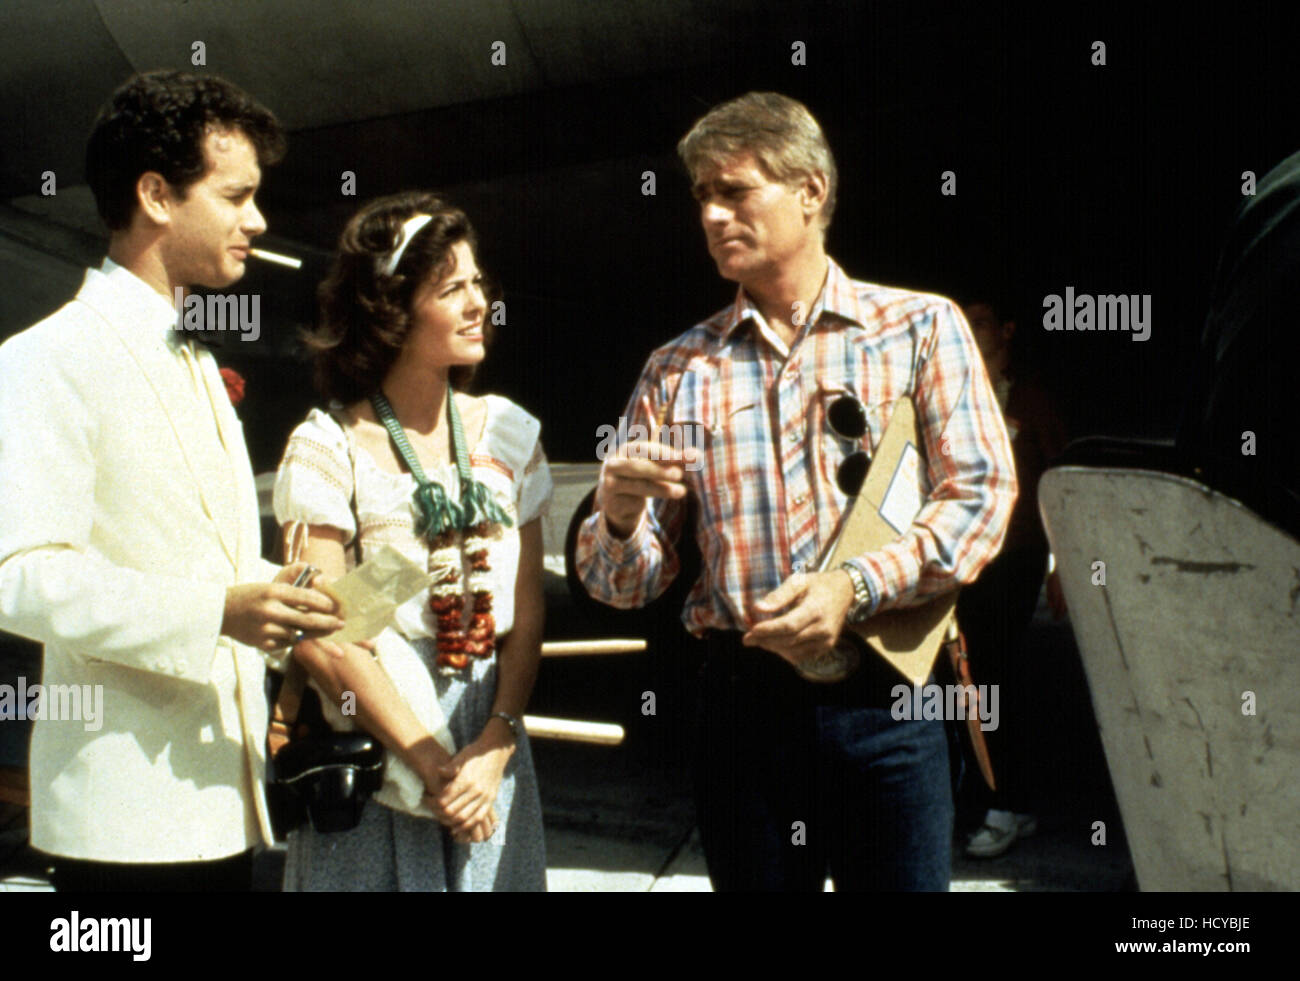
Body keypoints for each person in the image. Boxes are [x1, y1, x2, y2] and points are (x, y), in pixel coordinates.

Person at [573, 92, 1018, 891]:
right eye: (700, 196)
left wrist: (854, 586)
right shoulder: (678, 368)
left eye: (733, 191)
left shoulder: (919, 329)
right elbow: (627, 584)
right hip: (743, 714)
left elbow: (981, 497)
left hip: (891, 701)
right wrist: (616, 510)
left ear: (810, 191)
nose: (710, 214)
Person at [0, 70, 344, 891]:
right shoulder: (45, 359)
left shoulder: (193, 354)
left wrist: (287, 592)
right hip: (120, 824)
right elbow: (18, 576)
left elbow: (197, 554)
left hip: (220, 804)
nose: (257, 221)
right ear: (156, 194)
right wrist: (219, 612)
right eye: (236, 196)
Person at [274, 192, 551, 891]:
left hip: (489, 751)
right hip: (376, 744)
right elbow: (325, 634)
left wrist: (495, 743)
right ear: (391, 309)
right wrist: (430, 760)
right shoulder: (327, 449)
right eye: (451, 286)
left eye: (478, 281)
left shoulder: (509, 434)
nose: (477, 301)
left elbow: (527, 612)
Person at [957, 298, 1068, 858]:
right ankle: (999, 801)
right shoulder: (950, 389)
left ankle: (1004, 804)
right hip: (961, 557)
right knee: (965, 677)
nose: (971, 333)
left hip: (1017, 554)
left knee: (991, 670)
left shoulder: (1030, 398)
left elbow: (1062, 479)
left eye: (980, 322)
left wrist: (1063, 565)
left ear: (1006, 329)